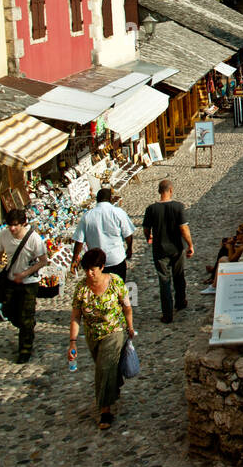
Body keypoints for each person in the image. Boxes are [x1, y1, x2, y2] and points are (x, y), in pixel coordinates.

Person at [68, 248, 135, 430]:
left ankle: (104, 410)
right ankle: (113, 386)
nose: (90, 273)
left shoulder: (115, 282)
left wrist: (130, 326)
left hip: (114, 331)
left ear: (102, 267)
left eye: (93, 269)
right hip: (93, 335)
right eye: (87, 269)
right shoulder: (81, 289)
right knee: (105, 367)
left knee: (104, 368)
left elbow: (126, 306)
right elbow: (76, 317)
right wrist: (72, 341)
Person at [0, 209, 50, 363]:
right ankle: (28, 326)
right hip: (11, 280)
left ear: (23, 224)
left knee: (26, 316)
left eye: (15, 225)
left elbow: (43, 260)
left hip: (29, 283)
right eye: (9, 225)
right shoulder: (3, 235)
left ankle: (25, 349)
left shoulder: (34, 239)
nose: (12, 229)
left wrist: (25, 273)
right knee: (8, 310)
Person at [142, 179, 193, 323]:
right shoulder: (178, 207)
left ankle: (167, 313)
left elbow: (146, 229)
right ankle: (181, 301)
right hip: (176, 247)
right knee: (179, 275)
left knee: (164, 280)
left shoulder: (151, 209)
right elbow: (183, 228)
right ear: (171, 190)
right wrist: (190, 245)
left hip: (159, 249)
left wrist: (149, 237)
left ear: (159, 191)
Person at [71, 188, 135, 281]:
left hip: (96, 263)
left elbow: (79, 241)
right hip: (116, 259)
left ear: (97, 200)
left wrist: (74, 259)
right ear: (110, 199)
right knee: (118, 288)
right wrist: (129, 248)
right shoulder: (118, 213)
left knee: (100, 290)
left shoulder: (87, 216)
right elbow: (128, 234)